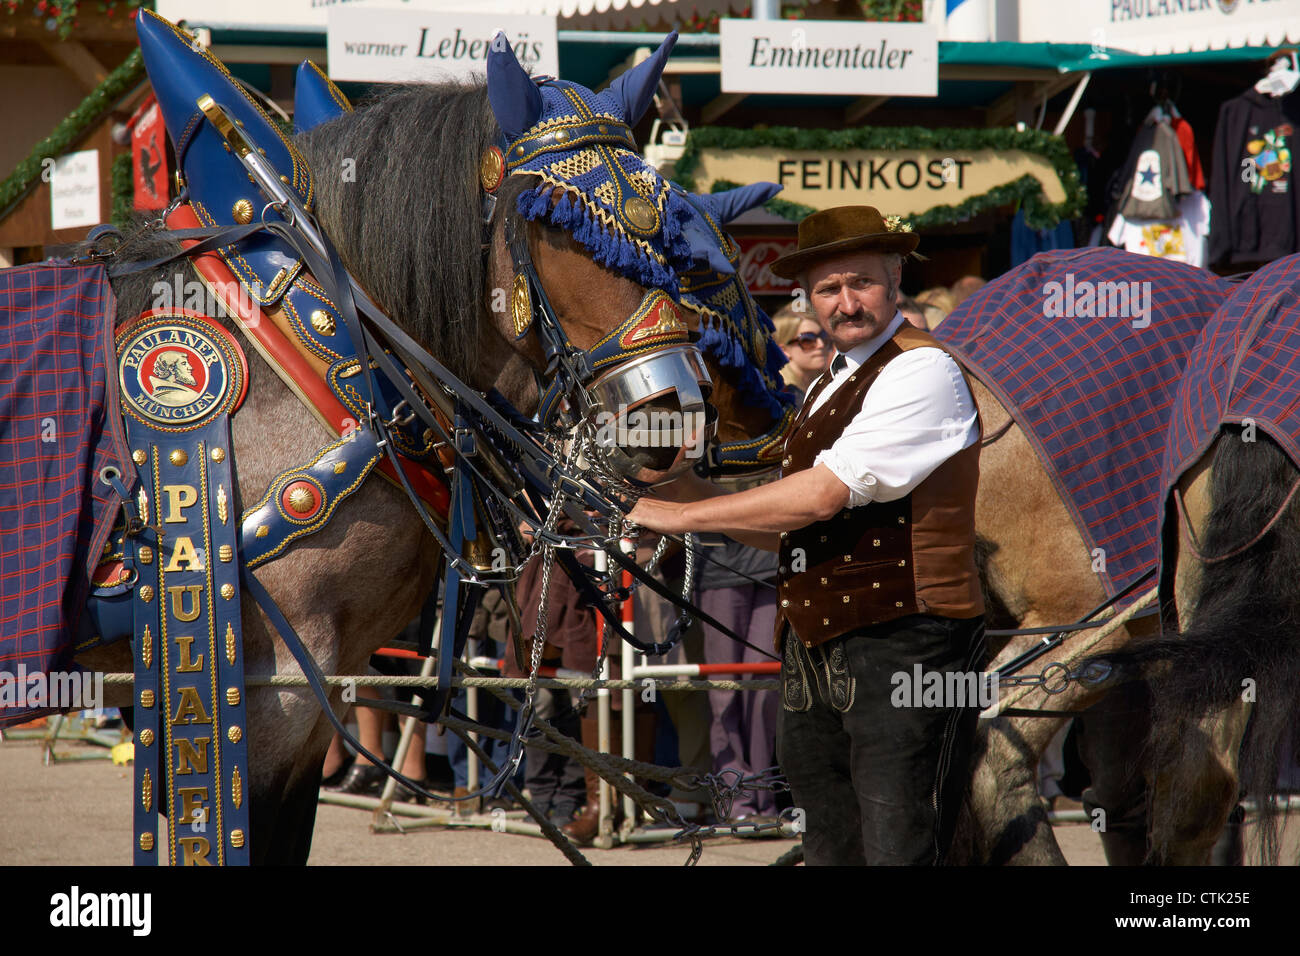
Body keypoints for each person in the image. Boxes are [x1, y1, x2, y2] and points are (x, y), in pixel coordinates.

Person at [627, 205, 986, 865]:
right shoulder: (830, 385)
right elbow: (801, 539)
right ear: (810, 301)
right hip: (819, 649)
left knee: (900, 843)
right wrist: (685, 492)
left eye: (862, 283)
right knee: (830, 842)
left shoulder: (922, 370)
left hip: (905, 645)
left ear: (895, 276)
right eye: (829, 290)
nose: (846, 302)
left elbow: (823, 495)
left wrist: (680, 518)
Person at [771, 303, 831, 395]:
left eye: (823, 336)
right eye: (807, 340)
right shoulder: (779, 392)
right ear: (784, 350)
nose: (821, 344)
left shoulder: (831, 384)